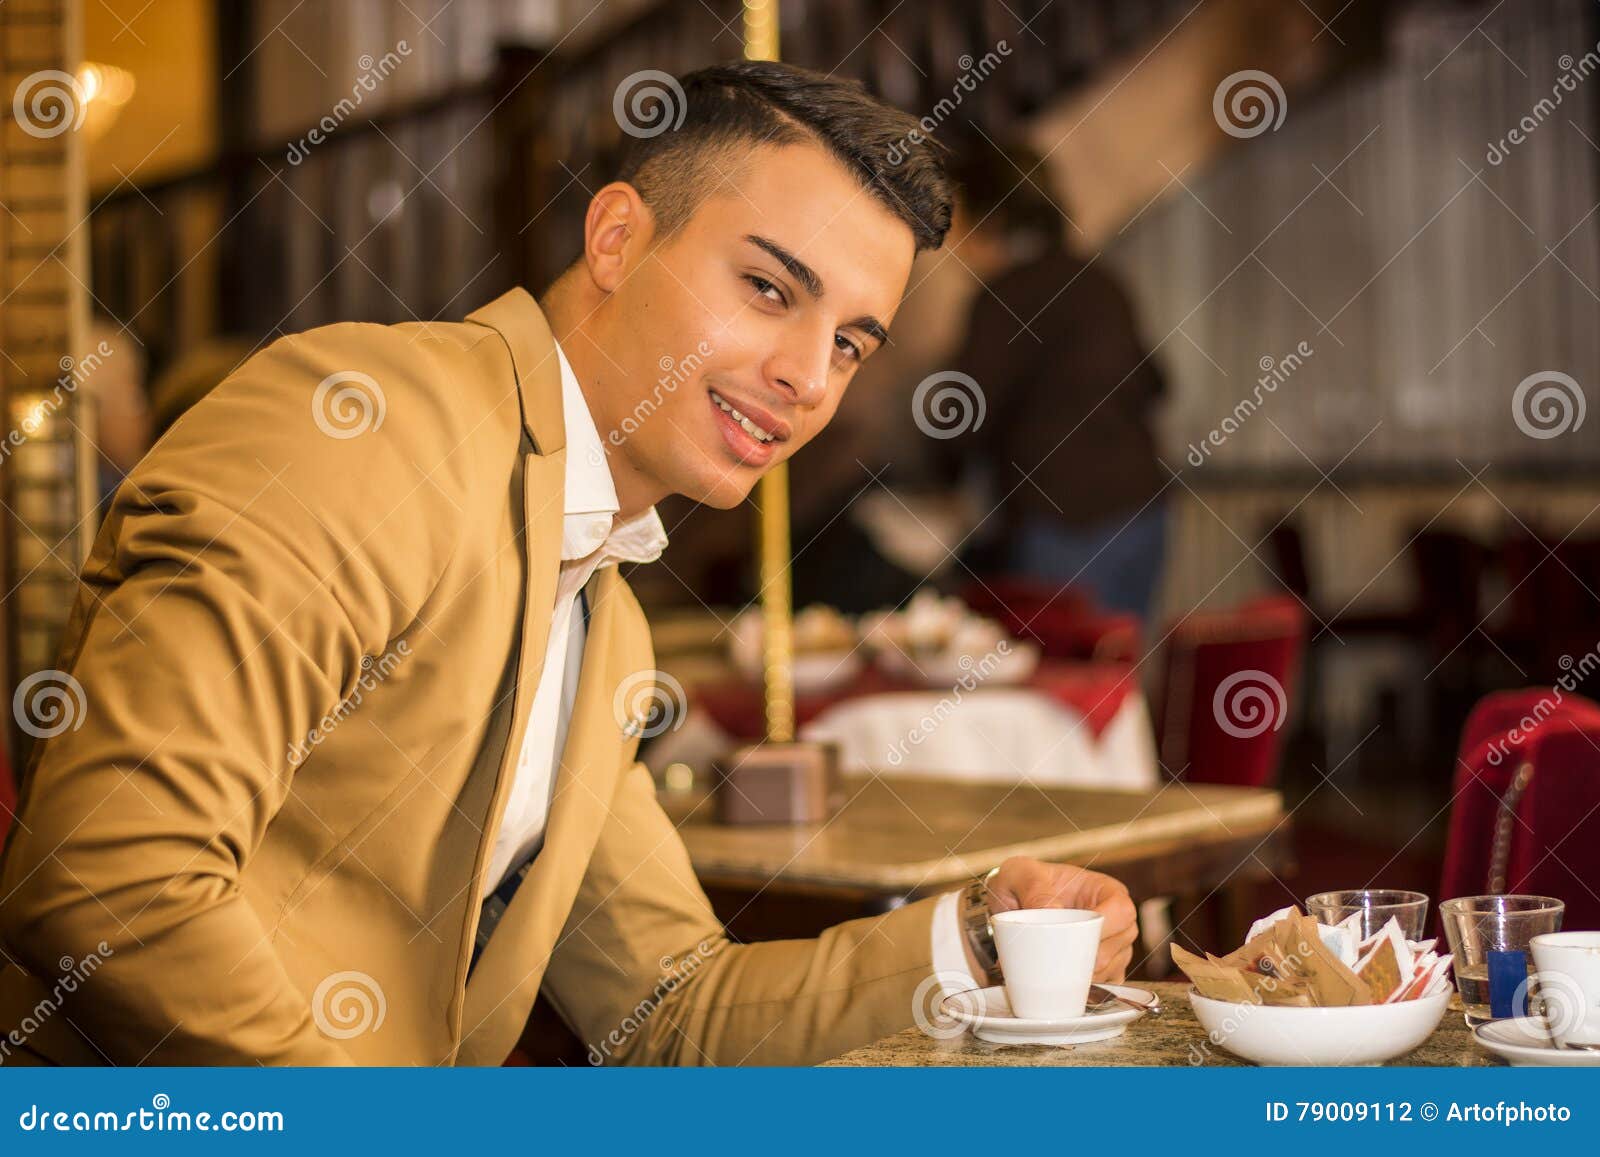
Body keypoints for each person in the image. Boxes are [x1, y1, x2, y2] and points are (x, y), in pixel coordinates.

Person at [0, 62, 1136, 1067]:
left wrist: (978, 929)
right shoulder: (361, 431)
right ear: (616, 238)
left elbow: (670, 1009)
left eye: (848, 340)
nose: (806, 374)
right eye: (768, 289)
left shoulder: (599, 607)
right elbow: (111, 878)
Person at [949, 144, 1170, 622]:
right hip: (1142, 510)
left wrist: (935, 471)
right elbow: (1155, 382)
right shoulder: (1101, 282)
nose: (957, 245)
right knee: (1115, 675)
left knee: (1058, 683)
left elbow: (960, 419)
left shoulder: (1004, 298)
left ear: (992, 221)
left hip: (1063, 521)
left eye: (960, 223)